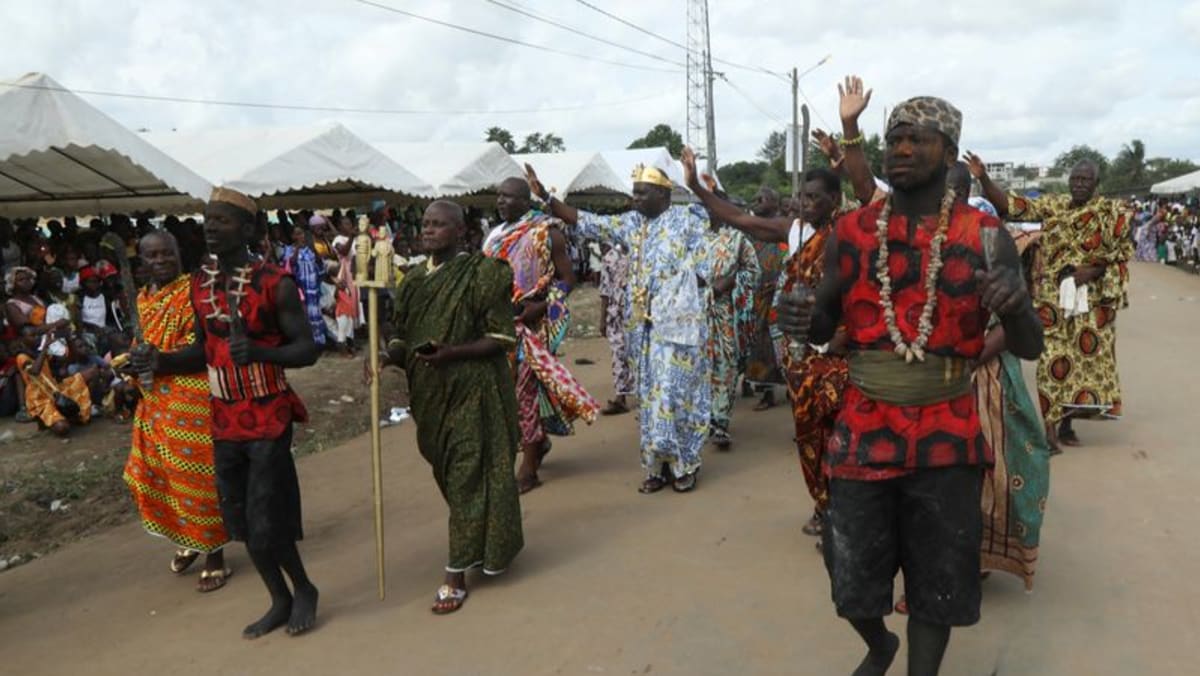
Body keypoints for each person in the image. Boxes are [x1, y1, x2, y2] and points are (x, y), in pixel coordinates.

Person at [777, 93, 1044, 675]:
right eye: (893, 135)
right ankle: (878, 645)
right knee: (845, 566)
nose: (900, 147)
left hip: (947, 426)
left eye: (916, 137)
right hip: (865, 421)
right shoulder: (850, 231)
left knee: (940, 574)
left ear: (947, 151)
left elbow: (1028, 345)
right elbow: (824, 320)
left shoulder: (985, 233)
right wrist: (802, 320)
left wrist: (1018, 308)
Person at [132, 187, 320, 639]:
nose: (211, 228)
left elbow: (308, 349)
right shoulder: (200, 284)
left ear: (249, 229)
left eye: (222, 220)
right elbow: (202, 352)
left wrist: (257, 350)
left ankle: (304, 590)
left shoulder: (276, 282)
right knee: (238, 520)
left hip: (268, 413)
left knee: (264, 518)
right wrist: (160, 360)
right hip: (223, 417)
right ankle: (279, 598)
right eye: (207, 220)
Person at [686, 155, 851, 544]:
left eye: (815, 197)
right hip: (801, 351)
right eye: (803, 196)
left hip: (843, 350)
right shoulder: (794, 231)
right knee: (810, 433)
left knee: (842, 434)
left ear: (834, 199)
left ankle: (846, 512)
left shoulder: (850, 232)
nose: (807, 203)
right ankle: (824, 506)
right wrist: (696, 187)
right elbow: (740, 219)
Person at [526, 162, 712, 493]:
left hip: (678, 329)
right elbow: (588, 222)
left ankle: (684, 464)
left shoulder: (687, 220)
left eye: (641, 193)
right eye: (634, 193)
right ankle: (656, 466)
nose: (635, 199)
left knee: (674, 395)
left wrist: (678, 294)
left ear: (662, 194)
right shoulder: (630, 225)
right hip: (642, 329)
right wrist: (547, 199)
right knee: (650, 398)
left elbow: (706, 265)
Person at [379, 200, 524, 614]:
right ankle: (475, 541)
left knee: (466, 477)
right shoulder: (410, 282)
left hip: (473, 391)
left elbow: (501, 337)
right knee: (451, 475)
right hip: (429, 396)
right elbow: (402, 336)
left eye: (439, 225)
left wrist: (454, 352)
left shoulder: (483, 275)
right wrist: (387, 357)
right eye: (425, 224)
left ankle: (455, 572)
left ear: (461, 231)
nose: (428, 231)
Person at [969, 153, 1133, 450]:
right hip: (1052, 298)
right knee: (1050, 360)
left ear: (1097, 183)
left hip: (1090, 301)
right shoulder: (1054, 205)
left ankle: (1067, 423)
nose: (1080, 184)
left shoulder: (1111, 213)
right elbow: (1011, 206)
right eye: (1076, 179)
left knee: (1082, 364)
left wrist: (1092, 270)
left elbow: (1122, 253)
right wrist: (983, 178)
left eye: (1086, 180)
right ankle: (1050, 428)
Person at [123, 231, 231, 592]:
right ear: (141, 263)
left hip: (190, 396)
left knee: (196, 476)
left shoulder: (195, 292)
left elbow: (206, 348)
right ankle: (189, 537)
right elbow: (143, 345)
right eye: (151, 256)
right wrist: (132, 362)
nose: (160, 261)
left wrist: (162, 360)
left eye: (166, 254)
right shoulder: (142, 299)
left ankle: (214, 553)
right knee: (158, 473)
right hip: (153, 401)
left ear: (178, 253)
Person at [483, 177, 598, 493]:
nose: (501, 202)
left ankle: (529, 468)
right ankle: (539, 441)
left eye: (509, 197)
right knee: (505, 395)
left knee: (525, 395)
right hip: (497, 326)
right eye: (499, 196)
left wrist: (541, 307)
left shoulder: (547, 232)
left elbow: (567, 279)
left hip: (531, 328)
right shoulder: (494, 235)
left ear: (525, 201)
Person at [699, 177, 760, 450]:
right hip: (692, 314)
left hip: (724, 310)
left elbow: (753, 271)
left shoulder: (737, 239)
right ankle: (698, 419)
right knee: (696, 366)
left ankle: (719, 423)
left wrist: (730, 282)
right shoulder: (692, 237)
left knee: (725, 364)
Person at [744, 186, 786, 410]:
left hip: (779, 296)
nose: (756, 201)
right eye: (755, 198)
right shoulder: (750, 231)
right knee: (759, 343)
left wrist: (780, 284)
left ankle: (790, 387)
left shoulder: (784, 228)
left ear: (774, 203)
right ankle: (765, 391)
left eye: (762, 198)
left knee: (780, 342)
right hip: (756, 296)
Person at [598, 242, 634, 416]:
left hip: (638, 313)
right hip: (615, 314)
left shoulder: (639, 252)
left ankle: (649, 397)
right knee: (618, 353)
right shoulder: (609, 258)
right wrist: (602, 319)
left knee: (638, 353)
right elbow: (605, 291)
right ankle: (621, 397)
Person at [281, 225, 327, 350]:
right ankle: (305, 344)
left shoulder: (310, 250)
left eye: (301, 234)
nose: (300, 236)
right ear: (292, 236)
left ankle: (318, 344)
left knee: (314, 314)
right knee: (302, 316)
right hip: (299, 290)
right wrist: (297, 249)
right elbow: (290, 264)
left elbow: (320, 268)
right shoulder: (289, 250)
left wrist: (314, 251)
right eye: (297, 234)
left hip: (312, 289)